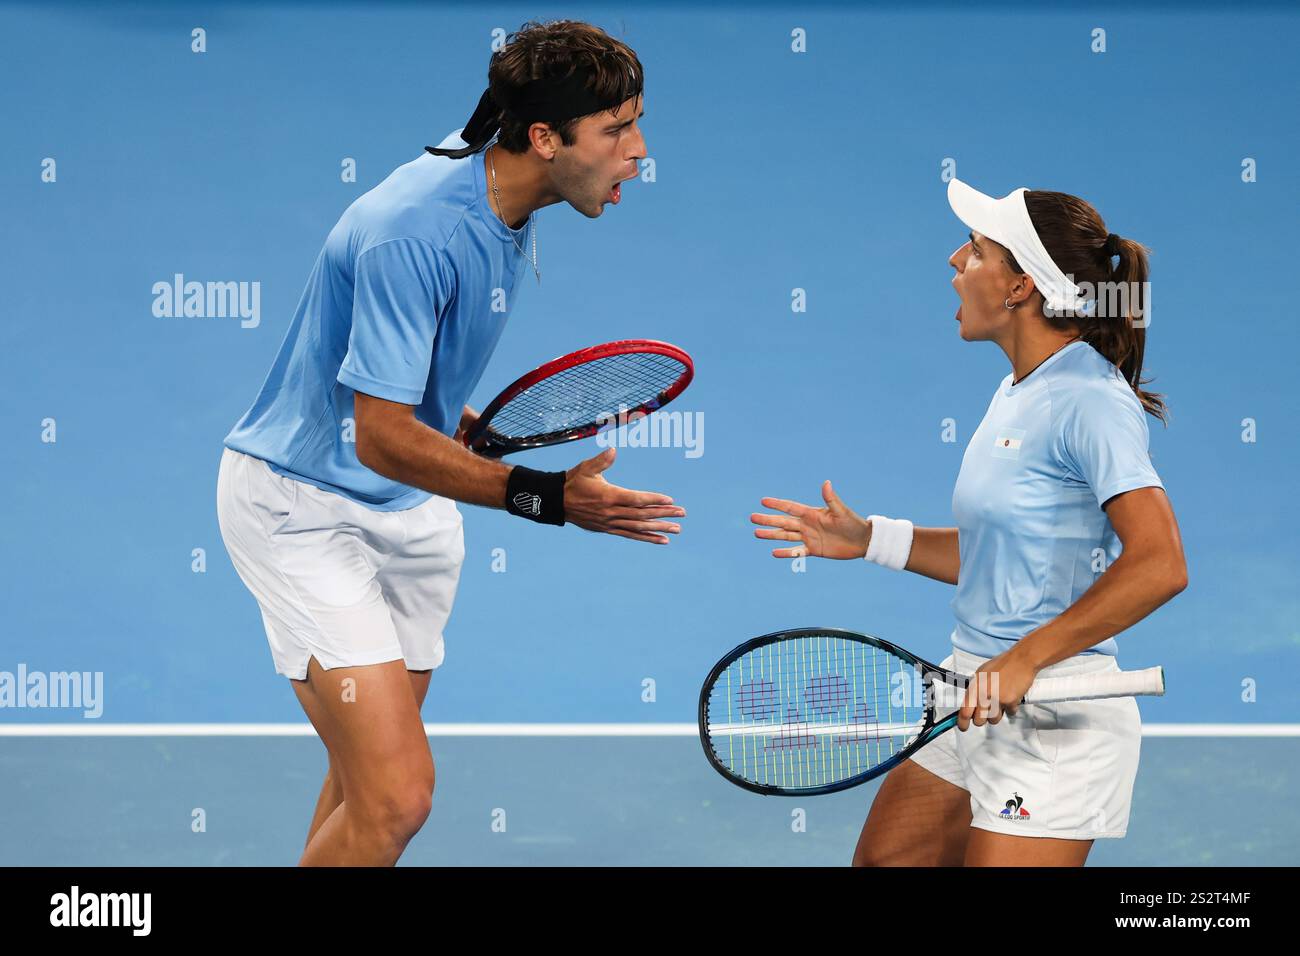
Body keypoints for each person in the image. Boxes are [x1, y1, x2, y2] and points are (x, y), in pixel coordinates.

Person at [216, 20, 683, 866]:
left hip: (410, 513)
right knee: (398, 798)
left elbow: (397, 394)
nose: (638, 150)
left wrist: (447, 414)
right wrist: (548, 497)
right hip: (304, 504)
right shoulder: (416, 232)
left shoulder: (494, 171)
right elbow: (380, 438)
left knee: (369, 788)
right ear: (544, 139)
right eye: (616, 129)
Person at [751, 178, 1187, 867]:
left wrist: (1026, 657)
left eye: (977, 251)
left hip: (1054, 722)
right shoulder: (1021, 388)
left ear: (1019, 287)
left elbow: (1161, 564)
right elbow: (1009, 556)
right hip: (972, 688)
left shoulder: (1091, 401)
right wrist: (873, 540)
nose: (956, 261)